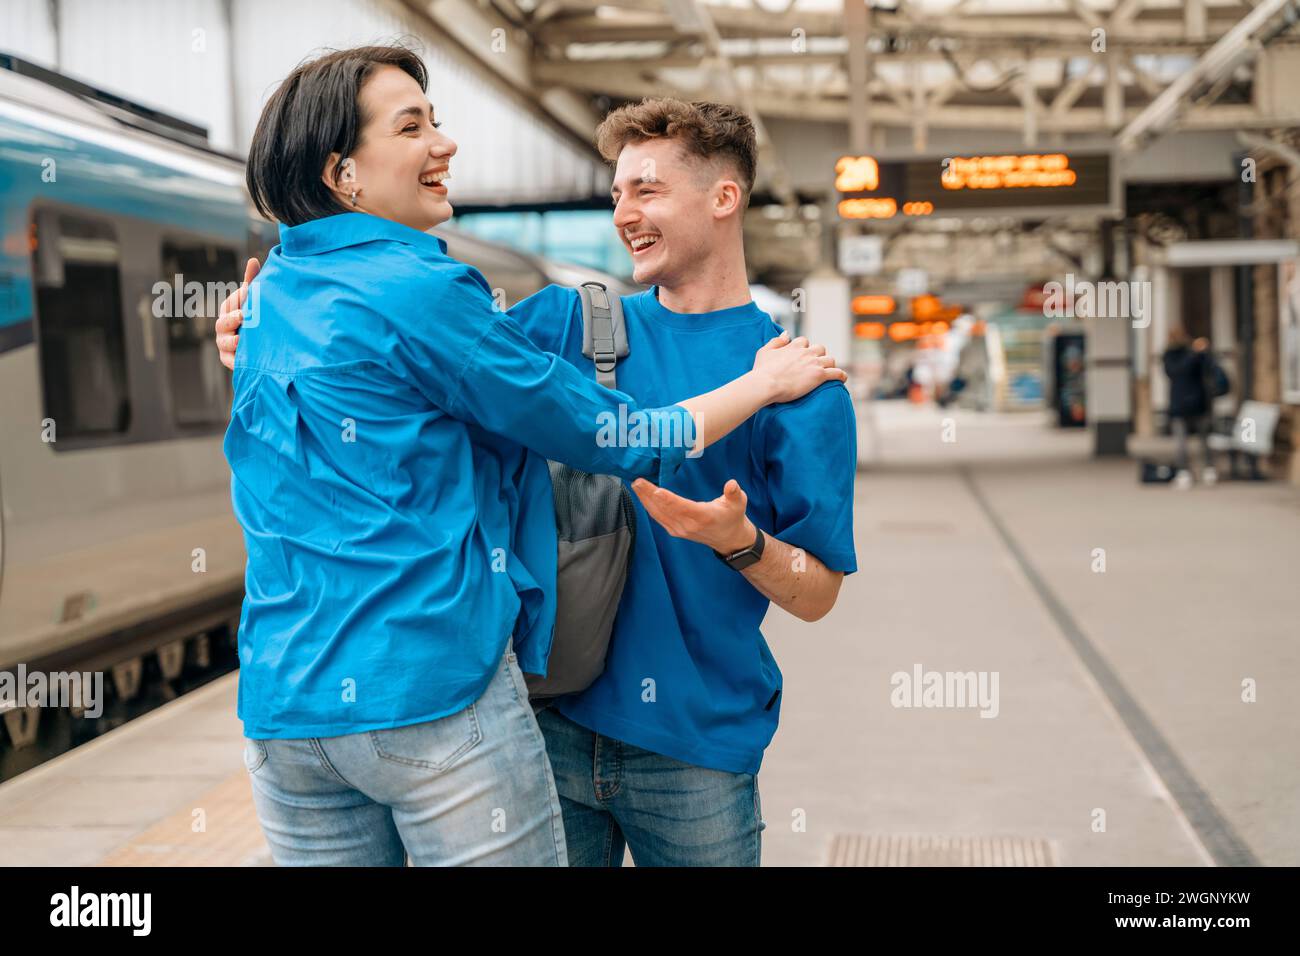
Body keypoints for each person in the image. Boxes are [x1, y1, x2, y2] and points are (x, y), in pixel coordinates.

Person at [223, 47, 844, 867]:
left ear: (725, 197)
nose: (625, 213)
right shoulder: (560, 322)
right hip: (539, 722)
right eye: (618, 192)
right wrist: (242, 336)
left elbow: (818, 594)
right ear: (343, 173)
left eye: (647, 189)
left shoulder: (802, 384)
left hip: (695, 750)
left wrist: (738, 539)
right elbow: (408, 381)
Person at [1162, 327, 1215, 489]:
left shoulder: (1196, 355)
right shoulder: (1171, 356)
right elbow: (1176, 372)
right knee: (1182, 442)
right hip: (1180, 404)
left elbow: (1209, 369)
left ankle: (1207, 470)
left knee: (1203, 438)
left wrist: (1204, 352)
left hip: (1197, 402)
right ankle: (1184, 472)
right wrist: (1194, 354)